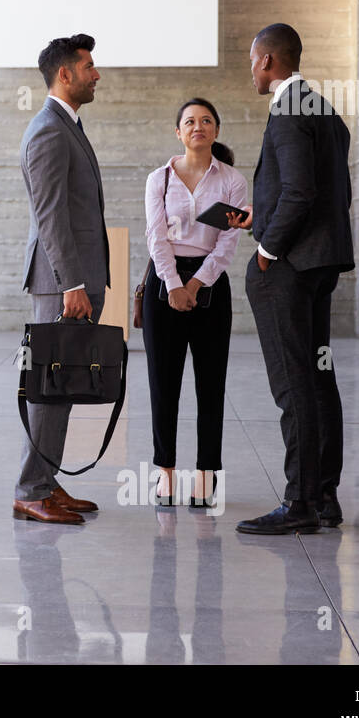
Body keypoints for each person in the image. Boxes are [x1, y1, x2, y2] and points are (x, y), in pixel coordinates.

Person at [228, 23, 354, 535]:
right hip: (320, 262)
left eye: (252, 61)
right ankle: (324, 494)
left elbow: (300, 192)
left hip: (290, 267)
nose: (251, 70)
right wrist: (259, 217)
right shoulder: (327, 111)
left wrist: (266, 249)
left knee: (293, 381)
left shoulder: (286, 110)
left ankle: (298, 501)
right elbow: (325, 193)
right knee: (319, 373)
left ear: (267, 61)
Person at [14, 33, 111, 525]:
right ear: (66, 74)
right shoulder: (49, 130)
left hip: (74, 280)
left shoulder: (67, 125)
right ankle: (31, 489)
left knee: (64, 384)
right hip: (61, 284)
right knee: (50, 388)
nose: (97, 74)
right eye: (89, 66)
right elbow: (51, 216)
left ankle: (46, 483)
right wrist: (72, 283)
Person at [142, 98, 246, 507]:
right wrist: (173, 284)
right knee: (162, 386)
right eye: (189, 121)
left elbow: (228, 242)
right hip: (162, 287)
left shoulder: (233, 181)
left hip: (211, 288)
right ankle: (165, 474)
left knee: (210, 386)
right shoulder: (159, 179)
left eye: (206, 121)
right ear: (178, 132)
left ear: (216, 131)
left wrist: (197, 285)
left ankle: (205, 479)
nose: (197, 126)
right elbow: (156, 237)